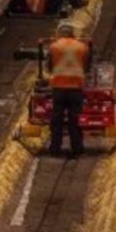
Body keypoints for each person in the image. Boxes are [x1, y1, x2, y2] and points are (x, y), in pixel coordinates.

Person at [47, 23, 90, 158]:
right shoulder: (82, 47)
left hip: (58, 88)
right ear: (73, 34)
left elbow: (49, 66)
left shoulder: (54, 46)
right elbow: (86, 67)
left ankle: (55, 148)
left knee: (57, 119)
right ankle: (77, 148)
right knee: (75, 119)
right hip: (76, 88)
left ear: (60, 34)